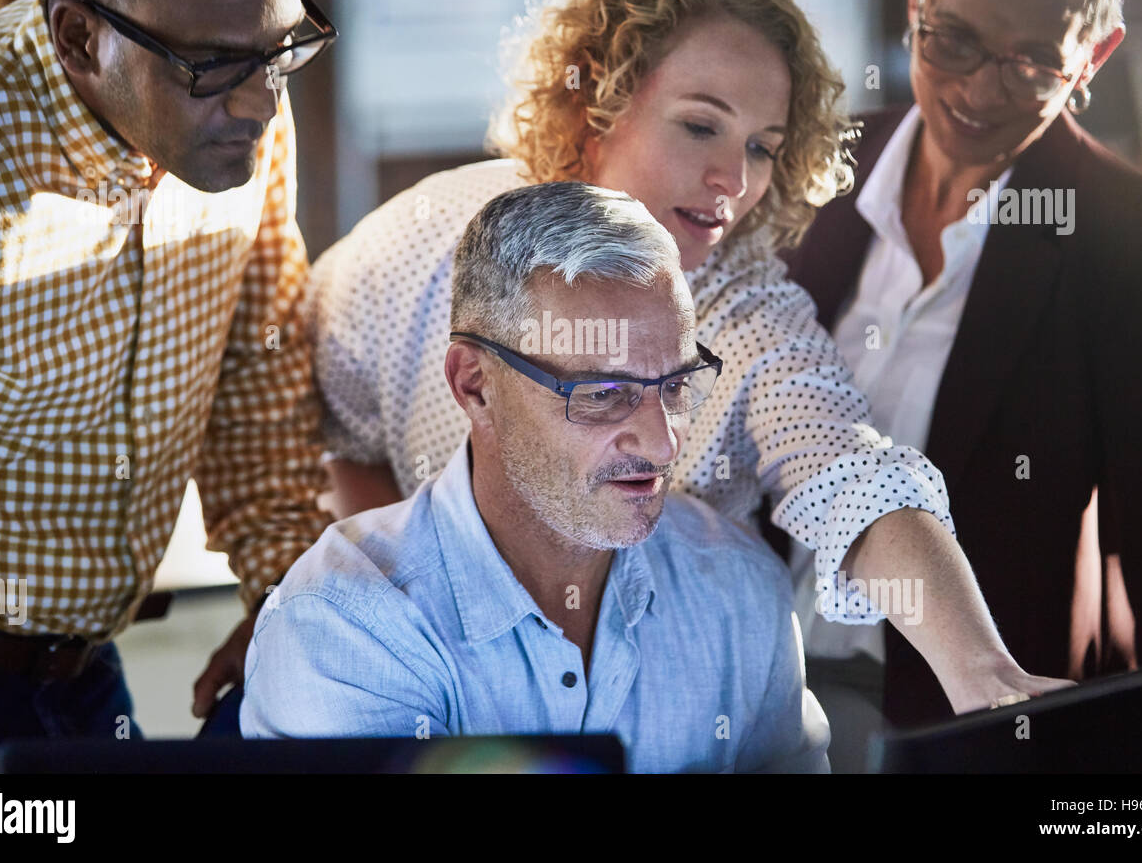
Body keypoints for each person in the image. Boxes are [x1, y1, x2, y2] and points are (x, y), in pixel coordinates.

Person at [306, 0, 1071, 752]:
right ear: (598, 104)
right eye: (701, 125)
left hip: (667, 729)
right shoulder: (424, 239)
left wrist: (983, 673)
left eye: (762, 147)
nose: (733, 180)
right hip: (441, 715)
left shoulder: (747, 311)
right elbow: (332, 414)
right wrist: (394, 599)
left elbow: (852, 476)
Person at [786, 0, 1142, 738]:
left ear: (1094, 55)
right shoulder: (814, 165)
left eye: (1030, 63)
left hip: (963, 726)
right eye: (950, 41)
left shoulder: (1134, 245)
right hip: (761, 682)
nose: (977, 92)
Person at [0, 0, 336, 770]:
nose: (263, 98)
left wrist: (284, 608)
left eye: (283, 49)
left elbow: (255, 388)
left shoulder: (246, 116)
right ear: (80, 38)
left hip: (84, 677)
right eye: (218, 64)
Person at [243, 181, 831, 773]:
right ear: (475, 384)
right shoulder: (342, 624)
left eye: (675, 386)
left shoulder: (742, 589)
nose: (664, 441)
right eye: (603, 392)